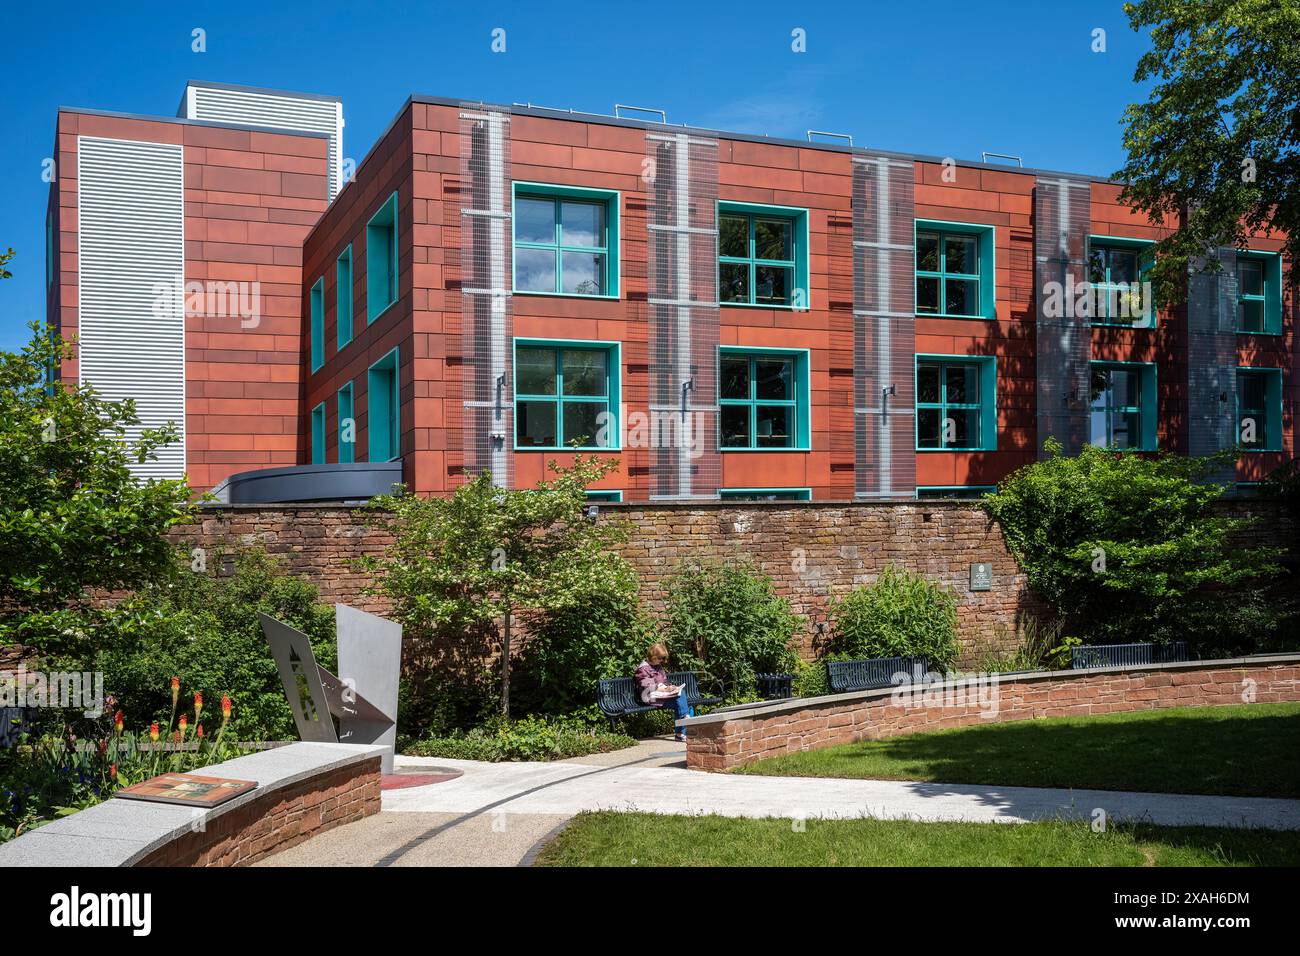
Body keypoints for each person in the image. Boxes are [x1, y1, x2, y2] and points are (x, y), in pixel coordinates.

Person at [634, 643, 692, 742]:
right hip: (650, 697)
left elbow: (664, 681)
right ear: (654, 657)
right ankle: (681, 729)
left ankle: (683, 724)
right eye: (661, 658)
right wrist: (663, 689)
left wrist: (670, 687)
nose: (663, 661)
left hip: (662, 696)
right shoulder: (642, 669)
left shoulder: (658, 667)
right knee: (681, 704)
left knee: (681, 695)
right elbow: (647, 686)